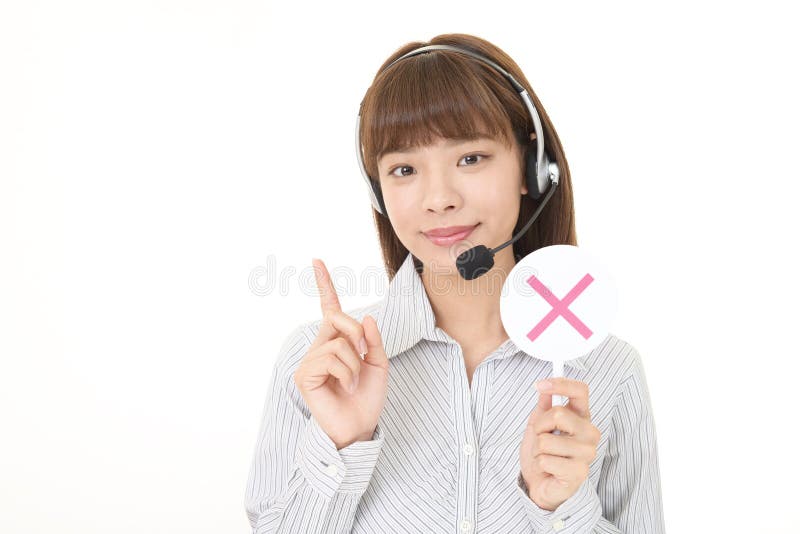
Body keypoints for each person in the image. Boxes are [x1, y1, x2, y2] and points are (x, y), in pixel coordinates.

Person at [245, 33, 665, 533]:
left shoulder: (607, 369)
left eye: (470, 158)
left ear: (533, 170)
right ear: (379, 193)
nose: (439, 198)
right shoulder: (320, 367)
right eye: (404, 169)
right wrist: (341, 445)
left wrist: (559, 511)